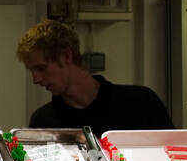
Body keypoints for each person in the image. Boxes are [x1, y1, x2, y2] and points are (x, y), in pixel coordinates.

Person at [17, 19, 173, 132]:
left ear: (66, 56)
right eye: (32, 71)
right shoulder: (43, 122)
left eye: (41, 68)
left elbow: (175, 157)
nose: (35, 80)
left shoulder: (140, 103)